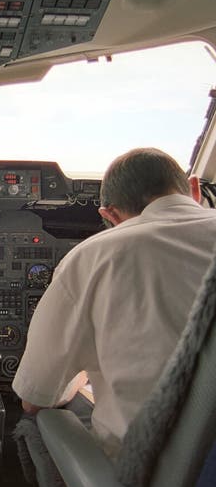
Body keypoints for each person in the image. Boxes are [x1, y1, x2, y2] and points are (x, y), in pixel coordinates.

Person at [12, 147, 216, 462]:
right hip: (204, 479)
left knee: (35, 420)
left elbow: (34, 398)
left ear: (109, 215)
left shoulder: (93, 257)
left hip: (154, 481)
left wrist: (81, 376)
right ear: (194, 189)